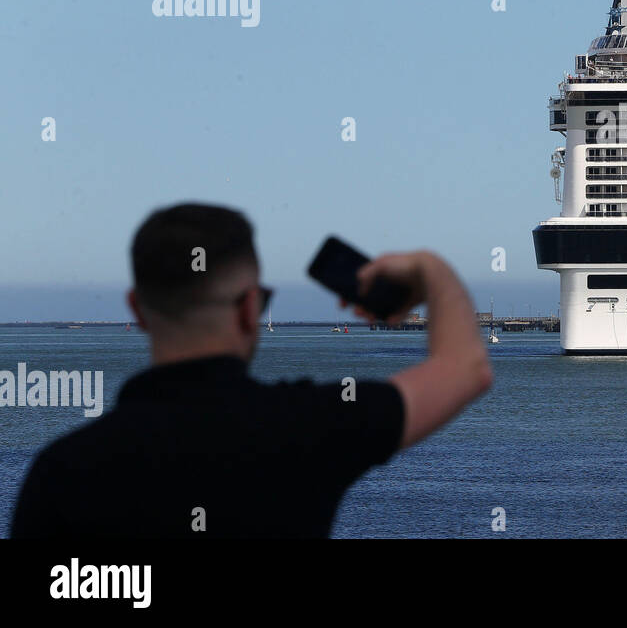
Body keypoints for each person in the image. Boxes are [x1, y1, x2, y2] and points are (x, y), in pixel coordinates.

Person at [10, 202, 491, 538]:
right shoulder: (311, 427)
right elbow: (465, 367)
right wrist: (430, 269)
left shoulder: (61, 473)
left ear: (137, 309)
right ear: (249, 309)